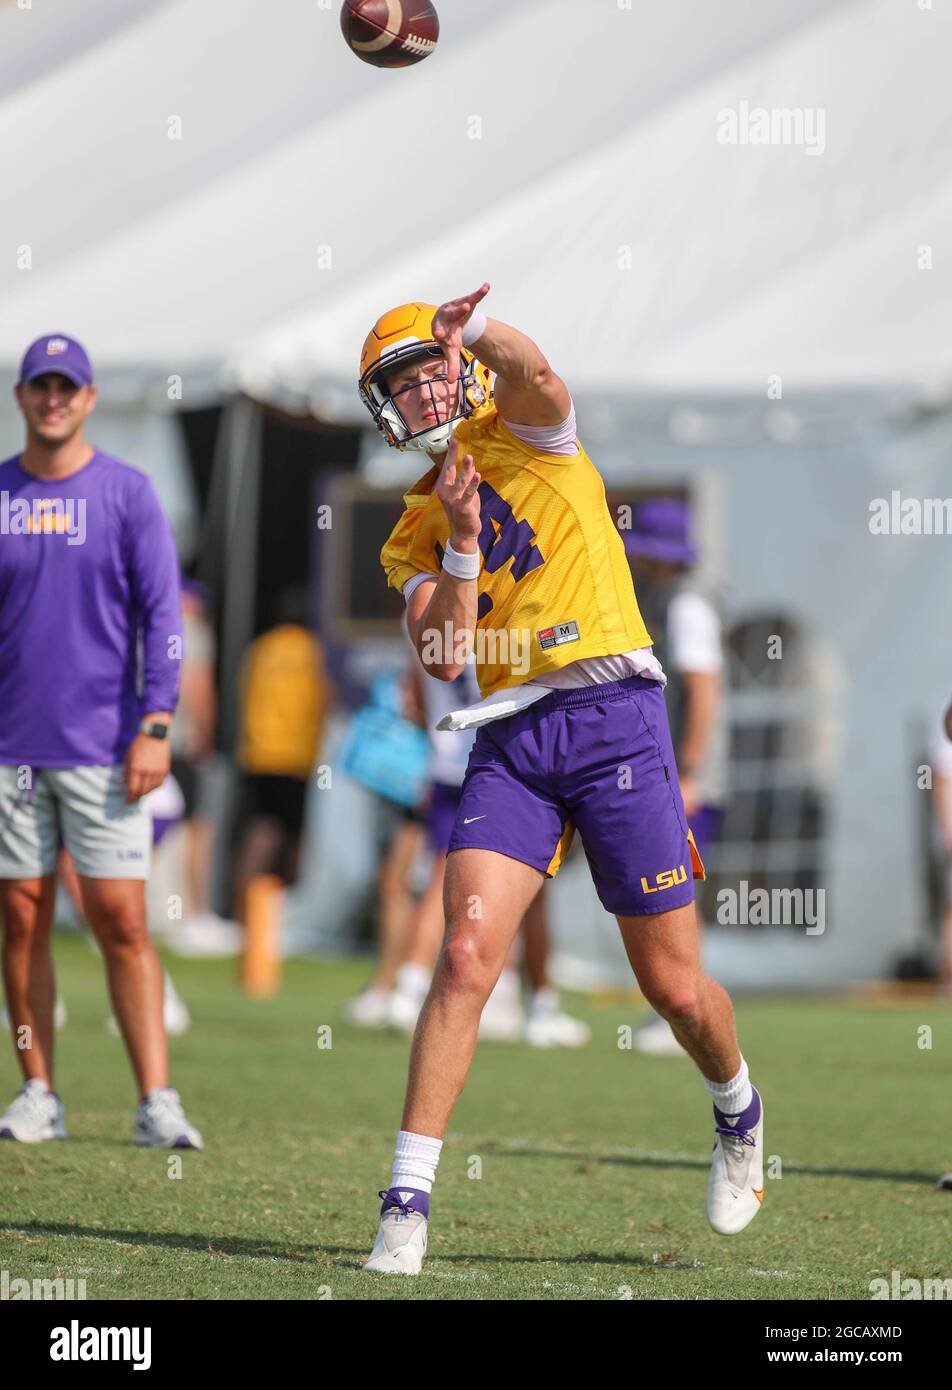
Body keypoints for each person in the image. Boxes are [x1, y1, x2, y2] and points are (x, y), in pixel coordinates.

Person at [358, 288, 765, 1274]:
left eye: (430, 366)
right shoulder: (409, 528)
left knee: (671, 986)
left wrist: (478, 332)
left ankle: (737, 1110)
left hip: (615, 717)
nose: (420, 389)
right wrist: (458, 539)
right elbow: (446, 649)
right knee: (462, 953)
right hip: (511, 733)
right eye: (399, 382)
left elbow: (536, 371)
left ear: (459, 365)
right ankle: (405, 1202)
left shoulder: (527, 428)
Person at [0, 333, 202, 1147]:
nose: (53, 398)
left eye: (67, 386)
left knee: (122, 919)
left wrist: (157, 725)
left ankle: (157, 1099)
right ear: (22, 397)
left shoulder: (126, 493)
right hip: (12, 754)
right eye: (40, 386)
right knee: (21, 918)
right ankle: (38, 1090)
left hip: (108, 744)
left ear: (87, 399)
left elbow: (166, 619)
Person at [623, 499, 729, 1056]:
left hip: (687, 777)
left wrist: (688, 771)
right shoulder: (666, 601)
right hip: (668, 772)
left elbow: (704, 692)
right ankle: (672, 1007)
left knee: (679, 892)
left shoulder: (687, 608)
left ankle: (685, 1009)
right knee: (668, 889)